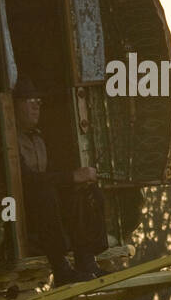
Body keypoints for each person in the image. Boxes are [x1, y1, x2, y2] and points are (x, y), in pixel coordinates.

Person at [12, 77, 107, 285]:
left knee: (80, 191)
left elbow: (51, 174)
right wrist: (71, 176)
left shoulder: (38, 139)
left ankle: (86, 260)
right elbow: (28, 181)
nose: (37, 105)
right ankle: (61, 268)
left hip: (45, 203)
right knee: (45, 195)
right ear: (16, 106)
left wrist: (76, 180)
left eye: (38, 101)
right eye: (30, 101)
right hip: (15, 209)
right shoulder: (11, 141)